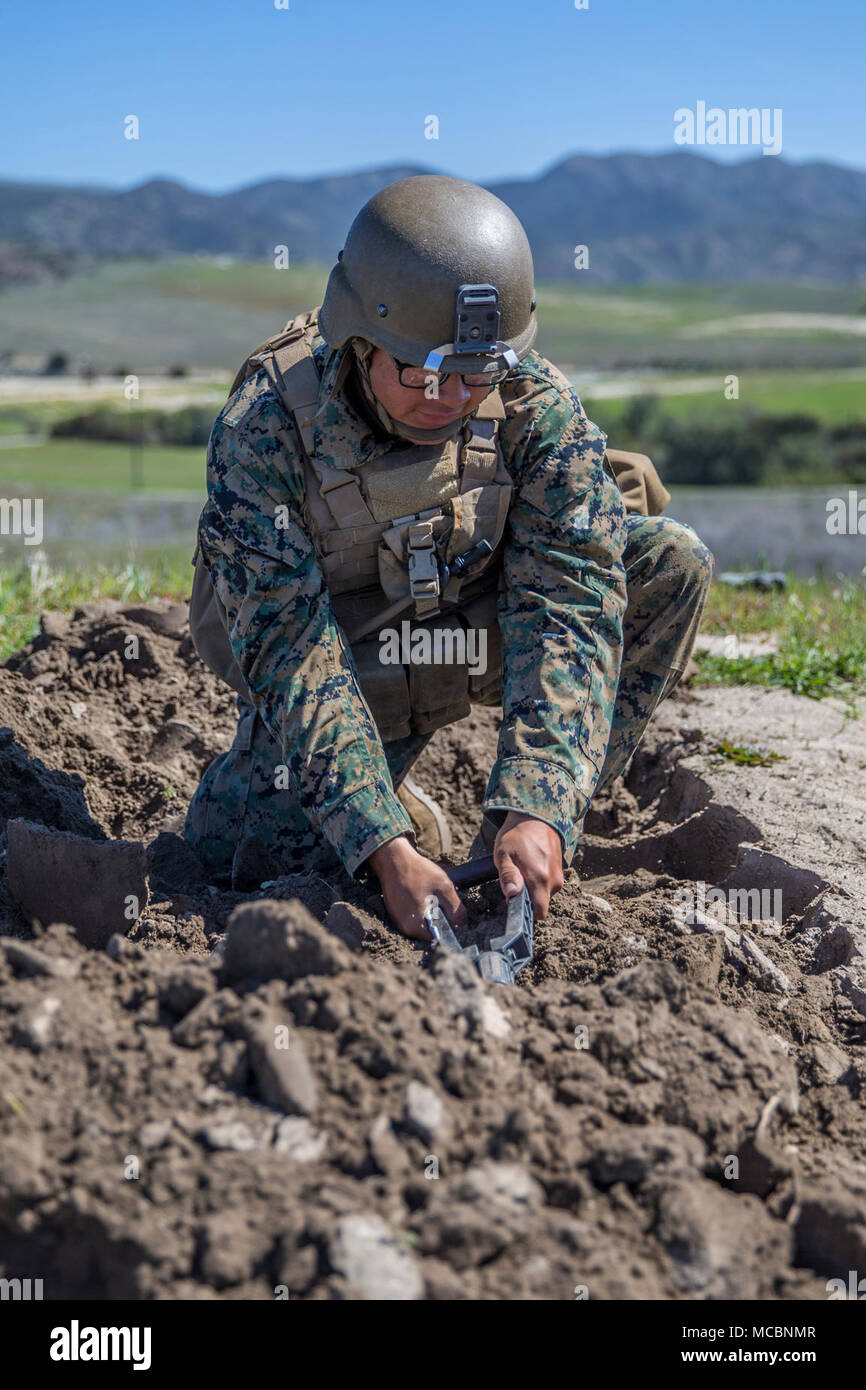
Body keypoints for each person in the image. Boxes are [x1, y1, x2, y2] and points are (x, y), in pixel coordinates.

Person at [184, 175, 713, 939]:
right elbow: (287, 646)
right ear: (360, 335)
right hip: (351, 659)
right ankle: (408, 818)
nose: (450, 396)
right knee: (242, 866)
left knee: (669, 563)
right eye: (422, 371)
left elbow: (569, 601)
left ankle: (516, 853)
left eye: (474, 374)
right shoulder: (265, 424)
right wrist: (380, 844)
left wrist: (538, 804)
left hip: (474, 625)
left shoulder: (533, 403)